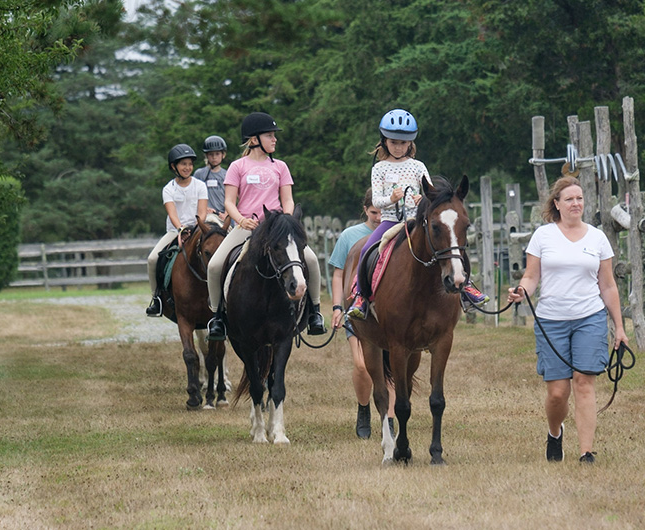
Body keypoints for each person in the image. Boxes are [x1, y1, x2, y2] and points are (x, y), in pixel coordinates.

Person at [507, 176, 627, 464]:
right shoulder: (543, 236)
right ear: (557, 204)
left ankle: (586, 452)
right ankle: (554, 433)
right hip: (551, 320)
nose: (576, 203)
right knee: (558, 393)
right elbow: (532, 276)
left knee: (583, 383)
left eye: (579, 198)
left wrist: (620, 327)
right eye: (569, 199)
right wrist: (522, 291)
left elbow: (608, 285)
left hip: (590, 318)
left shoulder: (598, 238)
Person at [347, 108, 488, 319]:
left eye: (403, 143)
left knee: (452, 245)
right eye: (393, 142)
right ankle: (360, 296)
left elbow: (433, 195)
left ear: (410, 143)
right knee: (367, 249)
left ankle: (467, 287)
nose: (398, 147)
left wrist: (423, 199)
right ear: (384, 141)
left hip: (417, 220)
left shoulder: (418, 166)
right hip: (390, 221)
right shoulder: (379, 169)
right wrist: (391, 199)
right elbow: (376, 200)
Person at [205, 111, 326, 340]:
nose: (274, 139)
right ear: (254, 139)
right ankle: (217, 317)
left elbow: (288, 200)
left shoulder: (280, 166)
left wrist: (285, 222)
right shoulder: (237, 166)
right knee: (215, 265)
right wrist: (241, 220)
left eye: (274, 135)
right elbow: (229, 202)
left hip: (276, 230)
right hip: (246, 228)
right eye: (269, 135)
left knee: (310, 260)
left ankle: (315, 313)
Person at [329, 188, 395, 439]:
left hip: (387, 312)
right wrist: (337, 307)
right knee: (361, 365)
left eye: (382, 213)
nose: (378, 218)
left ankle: (389, 420)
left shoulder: (397, 234)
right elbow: (338, 274)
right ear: (365, 210)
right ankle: (364, 408)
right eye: (374, 213)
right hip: (357, 311)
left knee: (391, 368)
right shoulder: (350, 236)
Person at [145, 144, 208, 317]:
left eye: (190, 164)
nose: (187, 167)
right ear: (174, 166)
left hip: (198, 229)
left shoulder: (200, 186)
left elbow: (202, 212)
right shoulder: (168, 189)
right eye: (183, 164)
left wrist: (197, 227)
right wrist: (181, 228)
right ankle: (157, 299)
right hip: (175, 231)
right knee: (152, 259)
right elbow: (172, 213)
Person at [193, 135, 228, 222]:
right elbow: (193, 196)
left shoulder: (227, 174)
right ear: (206, 155)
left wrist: (226, 214)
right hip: (204, 215)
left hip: (222, 215)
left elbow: (231, 197)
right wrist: (204, 208)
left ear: (223, 155)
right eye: (211, 154)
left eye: (217, 154)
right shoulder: (199, 174)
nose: (214, 157)